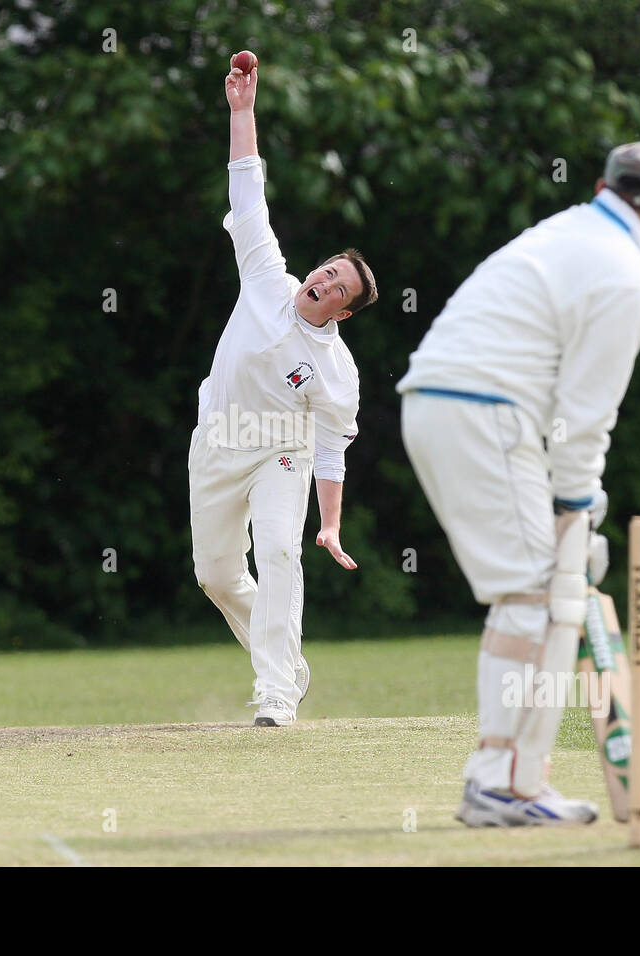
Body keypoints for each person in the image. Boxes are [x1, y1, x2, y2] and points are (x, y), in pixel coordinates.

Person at [398, 142, 640, 823]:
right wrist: (578, 510)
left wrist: (574, 513)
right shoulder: (624, 276)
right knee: (538, 593)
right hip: (483, 411)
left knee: (535, 593)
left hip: (439, 402)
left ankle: (511, 776)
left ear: (602, 186)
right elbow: (586, 417)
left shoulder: (563, 230)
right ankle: (502, 785)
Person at [190, 55, 379, 727]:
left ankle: (275, 695)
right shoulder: (267, 276)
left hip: (281, 450)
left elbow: (332, 447)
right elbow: (248, 195)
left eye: (337, 290)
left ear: (344, 311)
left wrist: (329, 524)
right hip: (218, 439)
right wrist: (243, 114)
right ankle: (288, 663)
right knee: (216, 575)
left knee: (277, 551)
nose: (322, 284)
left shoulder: (337, 370)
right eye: (327, 271)